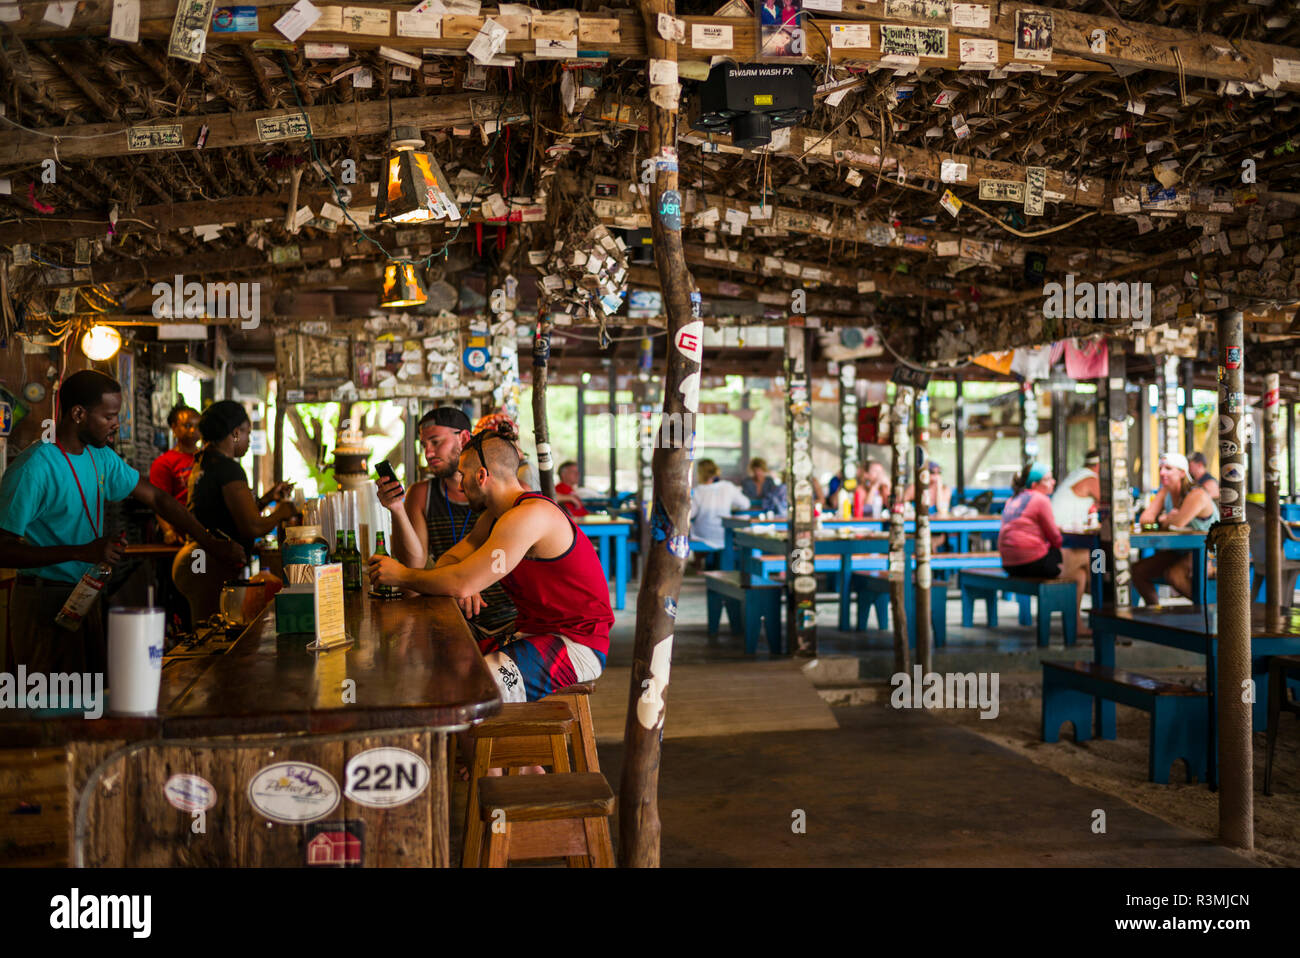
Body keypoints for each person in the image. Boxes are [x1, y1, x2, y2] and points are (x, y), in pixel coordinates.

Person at [0, 371, 245, 673]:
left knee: (92, 700)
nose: (117, 424)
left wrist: (210, 543)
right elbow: (3, 550)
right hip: (45, 597)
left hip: (85, 593)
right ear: (78, 413)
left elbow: (158, 499)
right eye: (109, 416)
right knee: (52, 705)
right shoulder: (34, 468)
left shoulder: (100, 456)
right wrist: (80, 552)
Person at [368, 422, 613, 704]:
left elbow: (458, 579)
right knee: (442, 663)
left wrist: (403, 575)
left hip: (576, 645)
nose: (460, 485)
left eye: (463, 475)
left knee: (467, 687)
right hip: (533, 633)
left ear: (482, 475)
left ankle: (491, 747)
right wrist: (467, 582)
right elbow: (452, 559)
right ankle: (463, 747)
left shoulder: (529, 515)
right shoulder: (496, 515)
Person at [376, 406, 515, 636]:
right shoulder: (422, 494)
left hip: (508, 621)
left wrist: (468, 582)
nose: (428, 453)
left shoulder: (504, 494)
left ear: (463, 438)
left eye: (436, 442)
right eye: (424, 446)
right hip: (451, 619)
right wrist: (396, 509)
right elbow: (414, 566)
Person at [171, 400, 295, 623]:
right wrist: (282, 511)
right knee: (209, 633)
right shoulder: (228, 468)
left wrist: (267, 499)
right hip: (203, 562)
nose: (248, 439)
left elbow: (228, 514)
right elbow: (251, 527)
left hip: (194, 559)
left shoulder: (206, 461)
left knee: (209, 629)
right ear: (235, 433)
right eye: (247, 432)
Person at [998, 462, 1090, 634]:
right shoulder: (1040, 500)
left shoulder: (1014, 499)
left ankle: (1077, 625)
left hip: (1010, 564)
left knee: (1079, 575)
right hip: (1032, 562)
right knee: (1089, 556)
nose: (1053, 482)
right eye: (1048, 479)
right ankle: (1101, 594)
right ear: (1035, 485)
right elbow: (1055, 539)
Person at [1131, 451, 1219, 605]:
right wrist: (1165, 519)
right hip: (1183, 551)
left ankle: (1211, 611)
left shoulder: (1197, 494)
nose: (1162, 472)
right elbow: (1146, 519)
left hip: (1211, 552)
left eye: (1168, 468)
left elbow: (1177, 523)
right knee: (1138, 571)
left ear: (1182, 473)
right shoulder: (1165, 491)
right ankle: (1155, 613)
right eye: (1160, 468)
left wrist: (1167, 519)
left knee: (1175, 575)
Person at [150, 404, 201, 544]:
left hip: (204, 535)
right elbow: (158, 501)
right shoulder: (164, 462)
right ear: (174, 428)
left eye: (197, 426)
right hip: (178, 536)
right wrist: (168, 531)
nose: (193, 430)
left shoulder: (207, 458)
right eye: (188, 425)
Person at [689, 459, 751, 567]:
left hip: (704, 534)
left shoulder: (698, 491)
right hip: (725, 533)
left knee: (694, 529)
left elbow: (691, 514)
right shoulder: (728, 486)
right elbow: (746, 504)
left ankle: (698, 563)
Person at [1051, 449, 1101, 531]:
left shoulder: (1078, 473)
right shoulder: (1091, 478)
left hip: (1056, 526)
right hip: (1063, 529)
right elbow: (1106, 503)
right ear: (1098, 465)